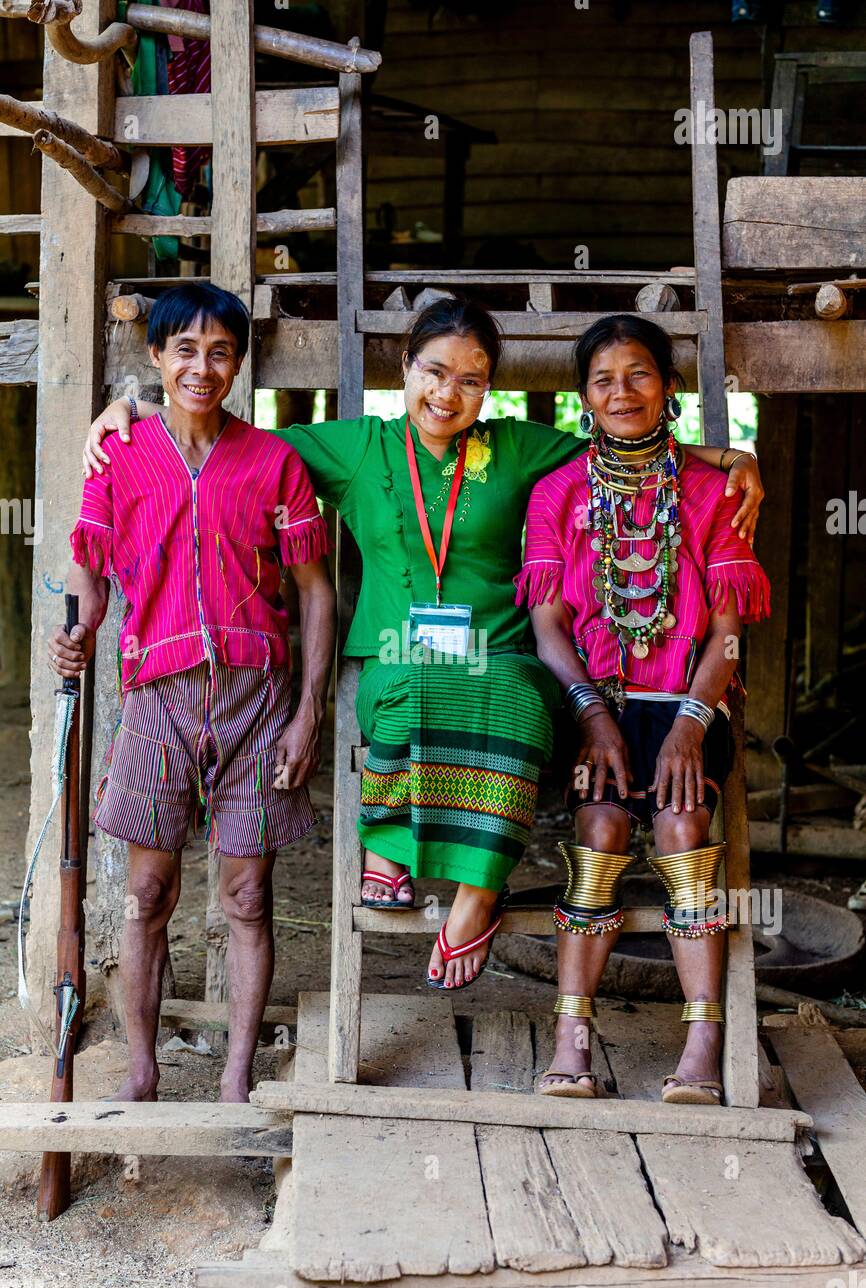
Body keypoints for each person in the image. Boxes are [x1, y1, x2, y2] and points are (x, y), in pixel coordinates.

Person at [82, 297, 764, 991]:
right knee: (414, 680)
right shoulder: (358, 448)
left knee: (523, 700)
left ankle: (477, 894)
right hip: (396, 656)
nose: (448, 393)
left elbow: (621, 445)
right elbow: (226, 436)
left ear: (488, 388)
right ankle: (391, 841)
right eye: (434, 372)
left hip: (498, 656)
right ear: (406, 366)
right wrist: (131, 410)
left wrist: (729, 456)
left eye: (471, 380)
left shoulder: (517, 448)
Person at [50, 283, 336, 1102]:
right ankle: (142, 1067)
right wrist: (76, 629)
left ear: (239, 363)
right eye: (185, 350)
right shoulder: (120, 455)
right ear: (157, 357)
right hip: (158, 696)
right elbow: (92, 574)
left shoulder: (273, 462)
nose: (201, 368)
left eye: (219, 352)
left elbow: (315, 591)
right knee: (148, 892)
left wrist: (307, 709)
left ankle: (238, 1075)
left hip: (256, 700)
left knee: (247, 895)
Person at [518, 313, 770, 1104]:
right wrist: (591, 714)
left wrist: (694, 726)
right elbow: (549, 626)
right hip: (594, 698)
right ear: (582, 397)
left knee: (685, 823)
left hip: (689, 700)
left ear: (668, 388)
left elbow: (727, 634)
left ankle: (702, 1042)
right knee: (601, 827)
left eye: (639, 375)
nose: (621, 392)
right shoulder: (556, 491)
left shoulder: (712, 491)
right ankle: (572, 1034)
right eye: (603, 379)